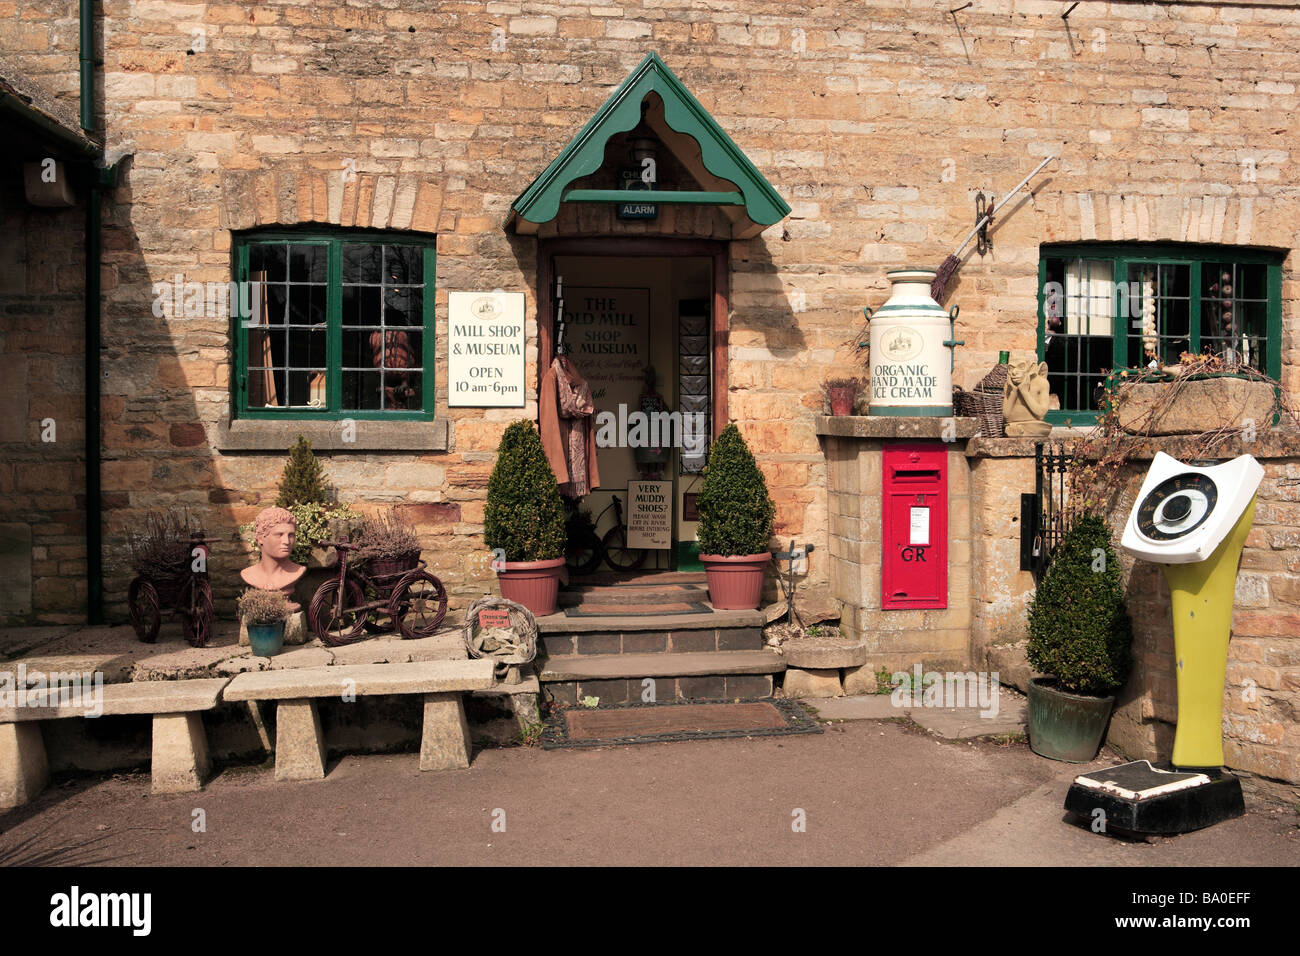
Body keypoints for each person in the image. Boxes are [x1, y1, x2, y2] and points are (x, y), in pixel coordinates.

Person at [241, 506, 306, 593]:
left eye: (291, 535)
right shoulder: (248, 574)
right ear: (260, 538)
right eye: (279, 535)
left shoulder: (298, 571)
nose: (286, 541)